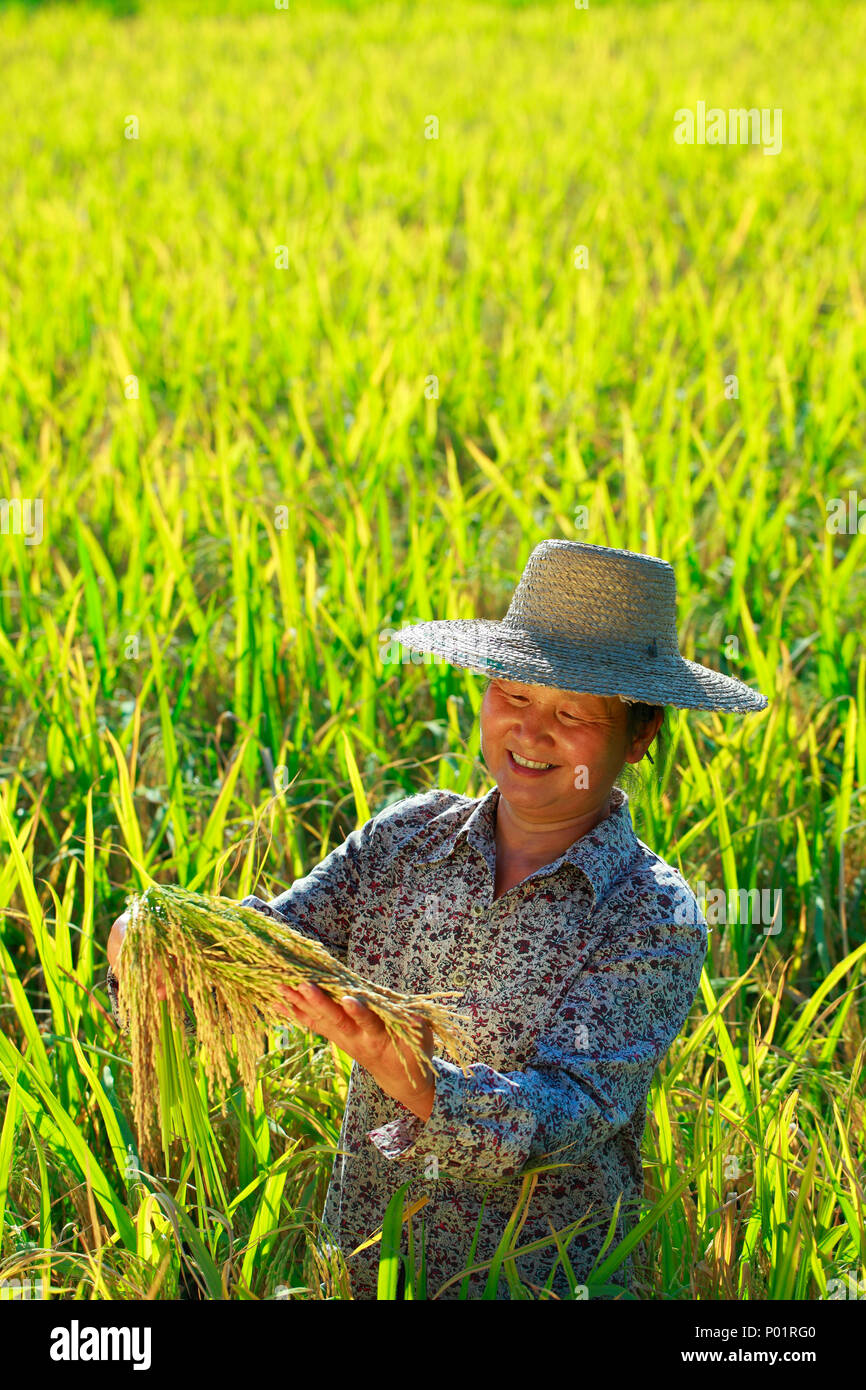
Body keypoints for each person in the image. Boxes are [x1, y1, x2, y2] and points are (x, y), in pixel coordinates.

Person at [106, 538, 768, 1299]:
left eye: (573, 713)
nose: (531, 731)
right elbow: (281, 945)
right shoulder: (407, 837)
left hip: (539, 1279)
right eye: (513, 697)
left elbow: (575, 1114)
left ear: (640, 735)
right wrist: (170, 939)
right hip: (368, 1267)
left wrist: (414, 1075)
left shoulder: (651, 913)